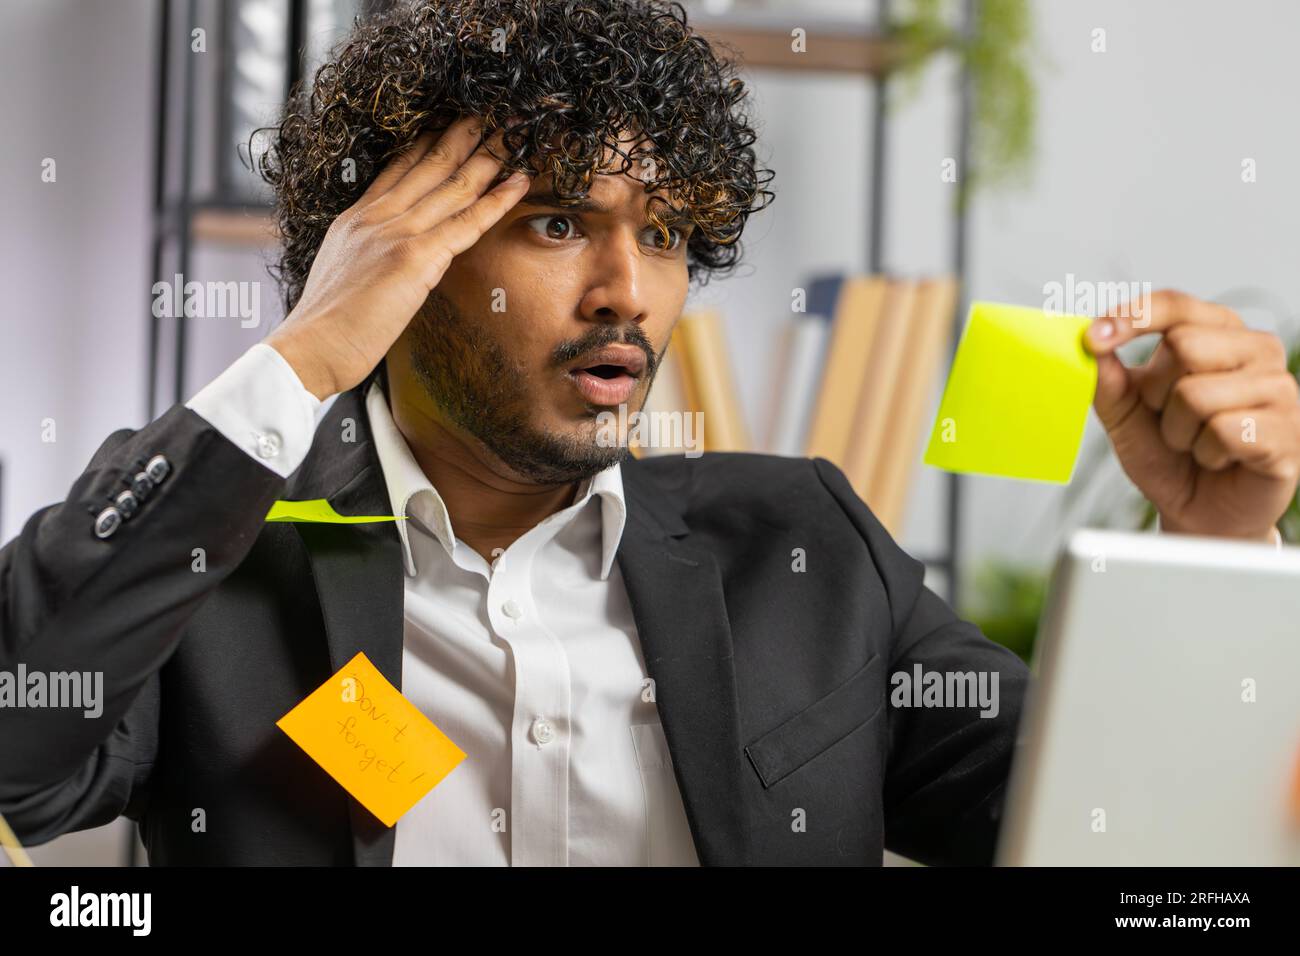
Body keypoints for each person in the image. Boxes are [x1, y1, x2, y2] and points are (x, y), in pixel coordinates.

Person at [1, 0, 1297, 866]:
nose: (630, 288)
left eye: (669, 234)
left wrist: (1220, 552)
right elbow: (23, 744)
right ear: (391, 253)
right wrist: (303, 354)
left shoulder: (804, 546)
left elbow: (1138, 854)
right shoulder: (217, 574)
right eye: (560, 223)